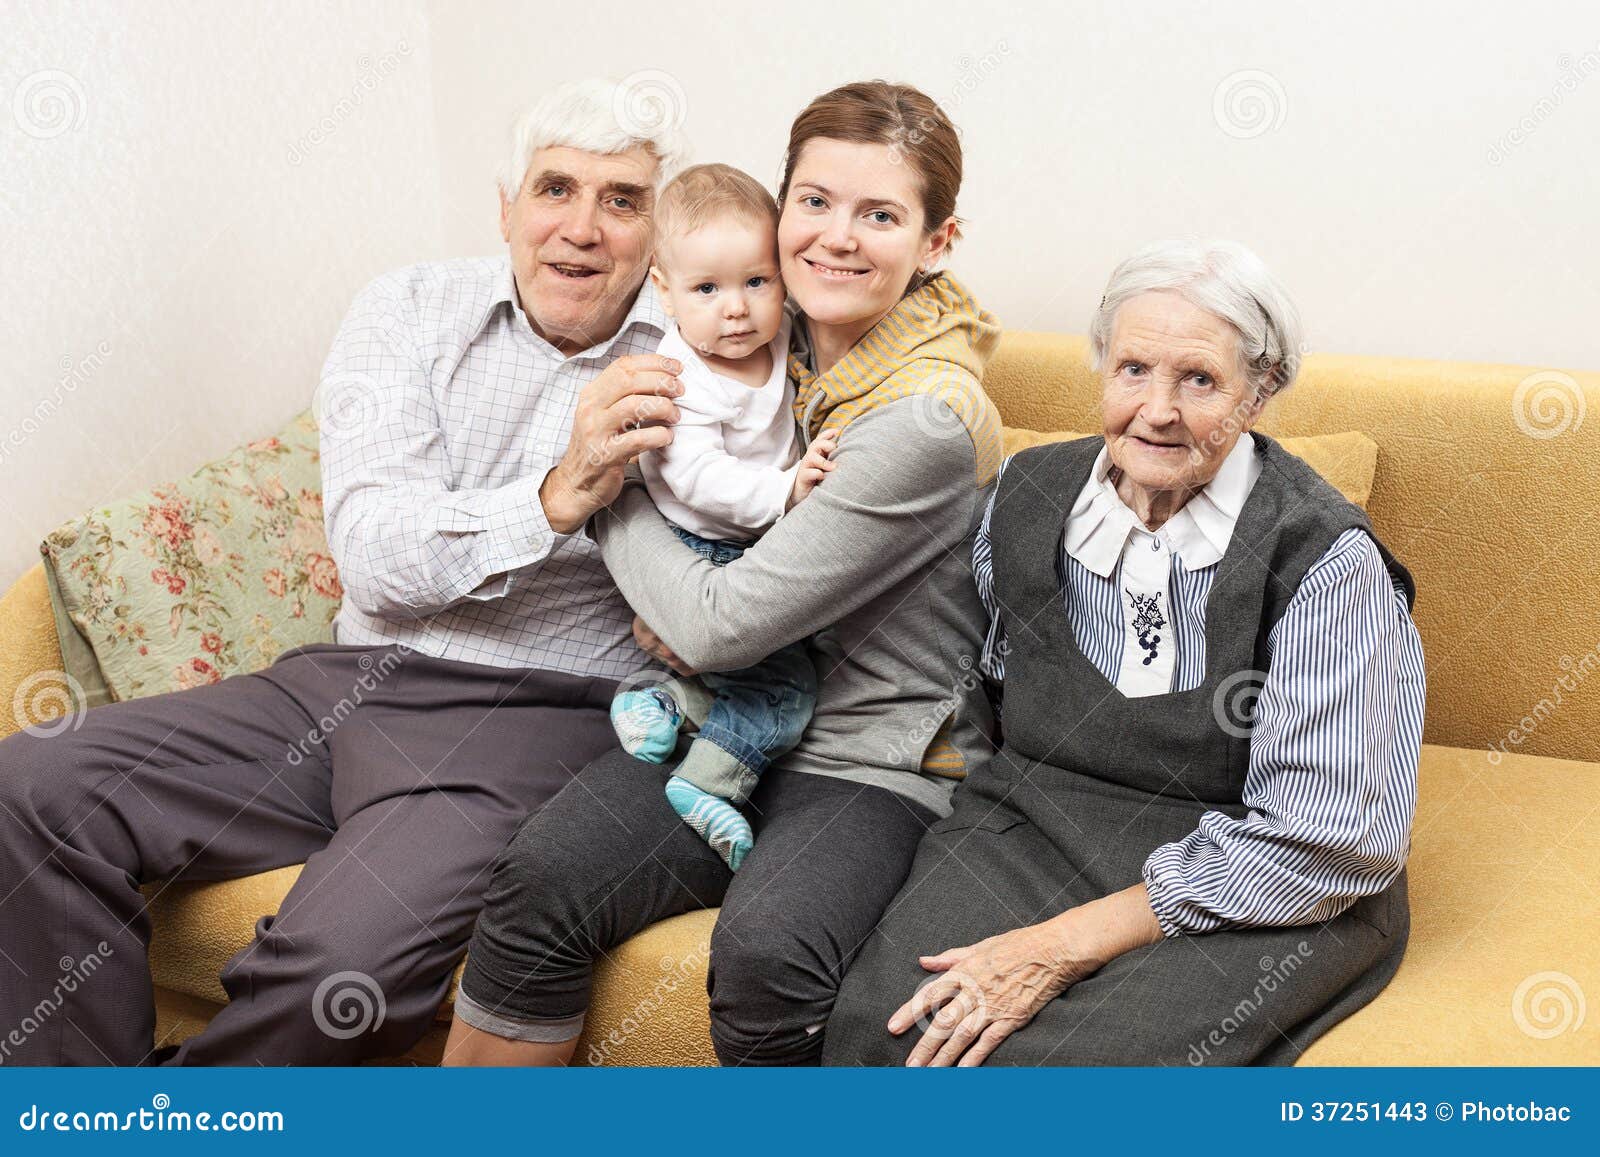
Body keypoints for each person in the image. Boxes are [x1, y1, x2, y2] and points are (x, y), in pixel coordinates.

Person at [0, 78, 691, 1065]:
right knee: (31, 783)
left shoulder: (699, 350)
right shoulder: (407, 308)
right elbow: (373, 549)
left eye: (621, 200)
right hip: (342, 682)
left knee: (338, 975)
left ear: (658, 230)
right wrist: (552, 496)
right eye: (555, 189)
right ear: (506, 208)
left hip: (534, 719)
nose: (582, 228)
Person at [443, 80, 1004, 1067]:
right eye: (815, 201)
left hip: (869, 760)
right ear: (777, 209)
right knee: (540, 875)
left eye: (879, 214)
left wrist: (601, 484)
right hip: (723, 714)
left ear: (936, 241)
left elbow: (713, 622)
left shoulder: (920, 416)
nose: (835, 236)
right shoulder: (761, 338)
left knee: (766, 946)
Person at [824, 240, 1426, 1067]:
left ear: (1261, 390)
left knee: (1070, 1077)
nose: (1157, 410)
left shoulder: (1325, 560)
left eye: (1200, 380)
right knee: (892, 1032)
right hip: (1032, 819)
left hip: (1255, 871)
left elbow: (1333, 837)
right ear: (1103, 367)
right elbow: (985, 691)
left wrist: (1066, 941)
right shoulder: (1025, 495)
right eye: (1134, 368)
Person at [608, 162, 838, 871]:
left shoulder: (777, 339)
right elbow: (696, 476)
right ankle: (709, 781)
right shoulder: (680, 376)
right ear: (665, 291)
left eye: (756, 282)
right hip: (702, 539)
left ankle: (660, 702)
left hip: (747, 536)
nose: (735, 308)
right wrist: (787, 490)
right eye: (707, 289)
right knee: (786, 689)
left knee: (735, 670)